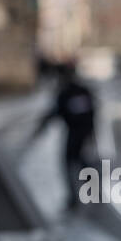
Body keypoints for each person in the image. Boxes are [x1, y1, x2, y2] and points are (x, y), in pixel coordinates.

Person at [34, 66, 96, 209]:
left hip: (75, 133)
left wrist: (41, 127)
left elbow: (56, 112)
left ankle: (74, 196)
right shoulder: (82, 91)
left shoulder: (66, 93)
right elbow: (91, 112)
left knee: (70, 163)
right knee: (80, 161)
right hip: (83, 132)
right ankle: (89, 190)